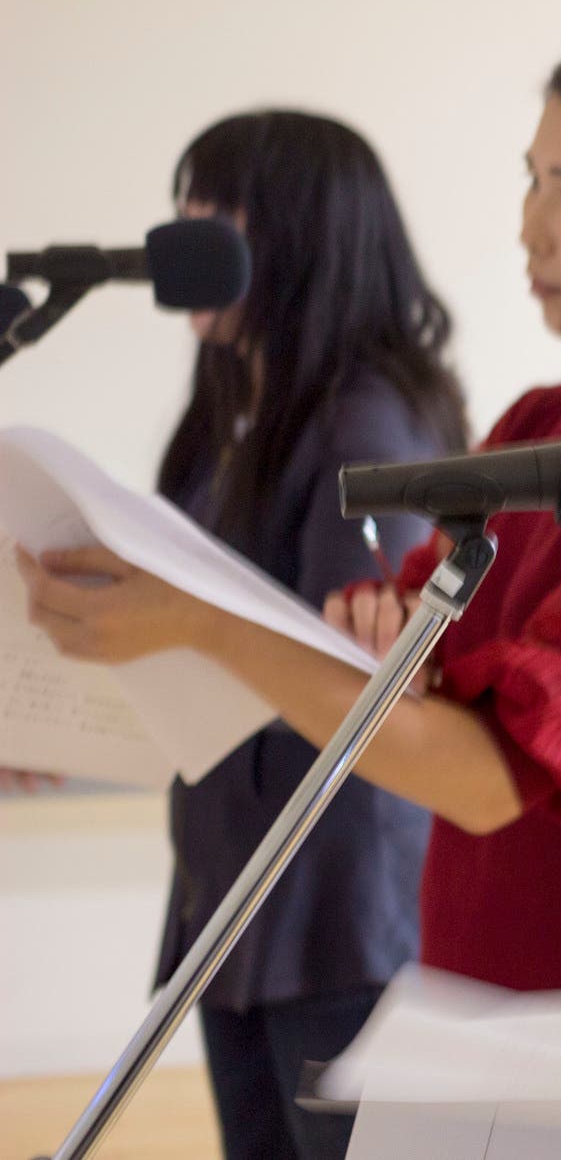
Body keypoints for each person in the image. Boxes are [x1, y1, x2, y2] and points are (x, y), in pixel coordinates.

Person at [18, 28, 561, 996]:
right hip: (474, 994)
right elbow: (418, 679)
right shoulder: (545, 421)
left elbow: (489, 782)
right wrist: (393, 644)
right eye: (533, 182)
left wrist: (200, 621)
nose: (532, 227)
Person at [19, 109, 466, 1160]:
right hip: (234, 896)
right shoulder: (234, 409)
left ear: (302, 233)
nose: (186, 232)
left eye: (216, 210)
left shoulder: (368, 421)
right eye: (184, 207)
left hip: (336, 913)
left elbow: (358, 671)